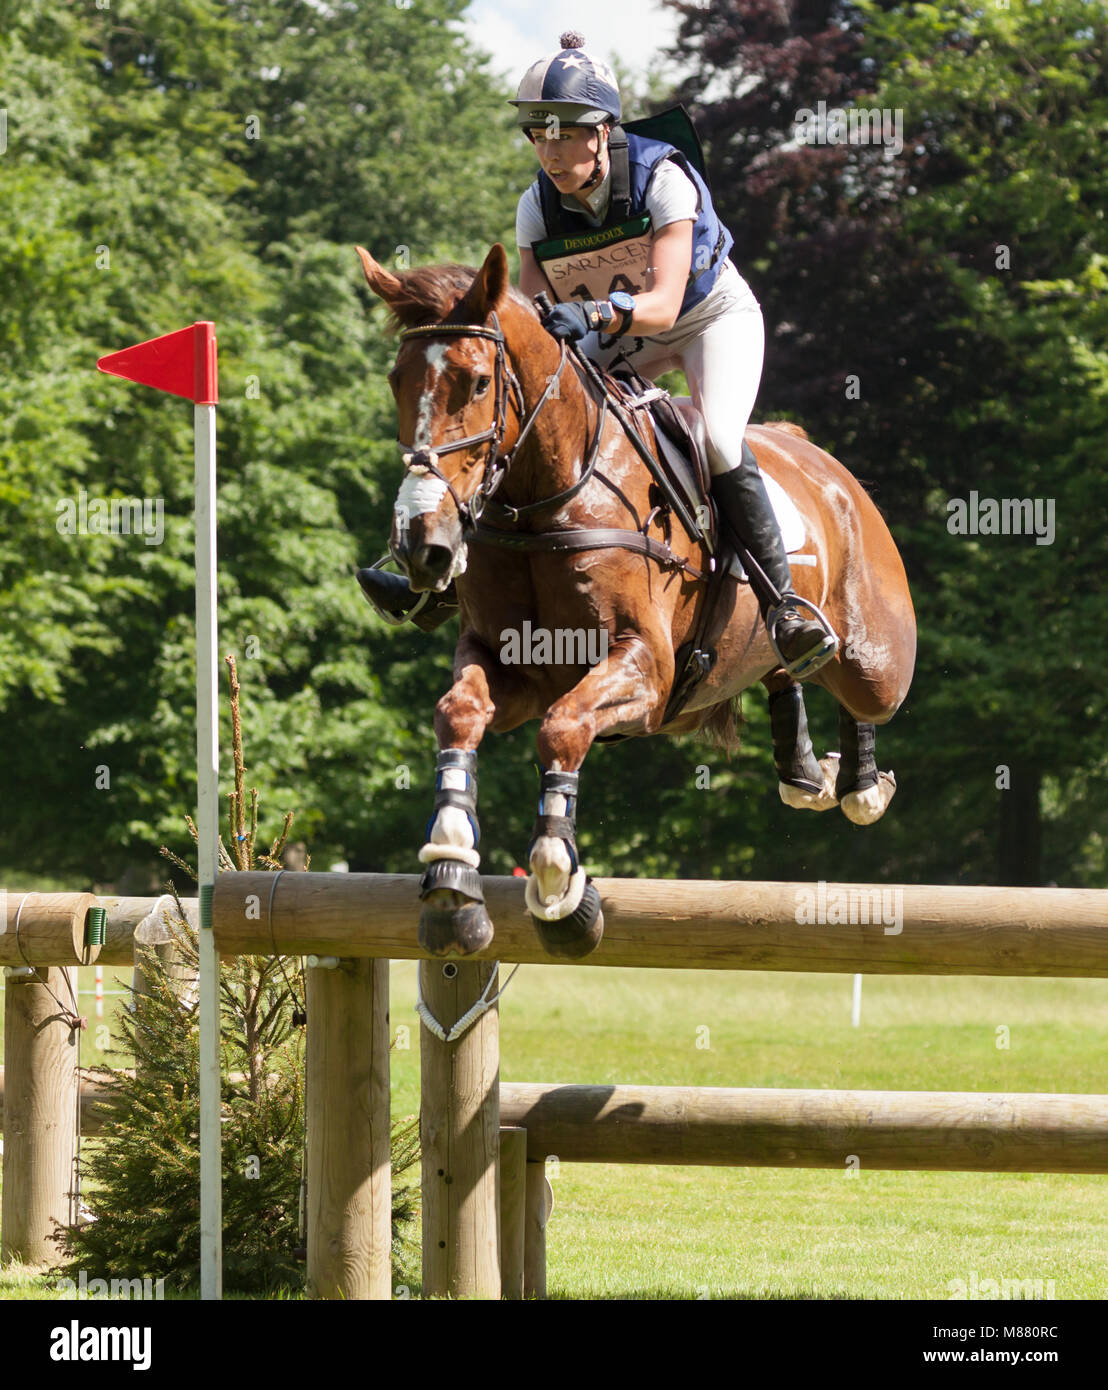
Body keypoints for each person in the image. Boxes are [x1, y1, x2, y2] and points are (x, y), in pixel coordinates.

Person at [358, 31, 838, 677]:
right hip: (620, 338)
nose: (549, 153)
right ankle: (440, 587)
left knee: (721, 438)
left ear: (603, 131)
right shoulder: (537, 206)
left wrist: (594, 312)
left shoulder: (663, 179)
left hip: (707, 318)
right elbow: (532, 328)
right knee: (529, 419)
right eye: (537, 135)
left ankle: (785, 606)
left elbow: (666, 305)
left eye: (563, 134)